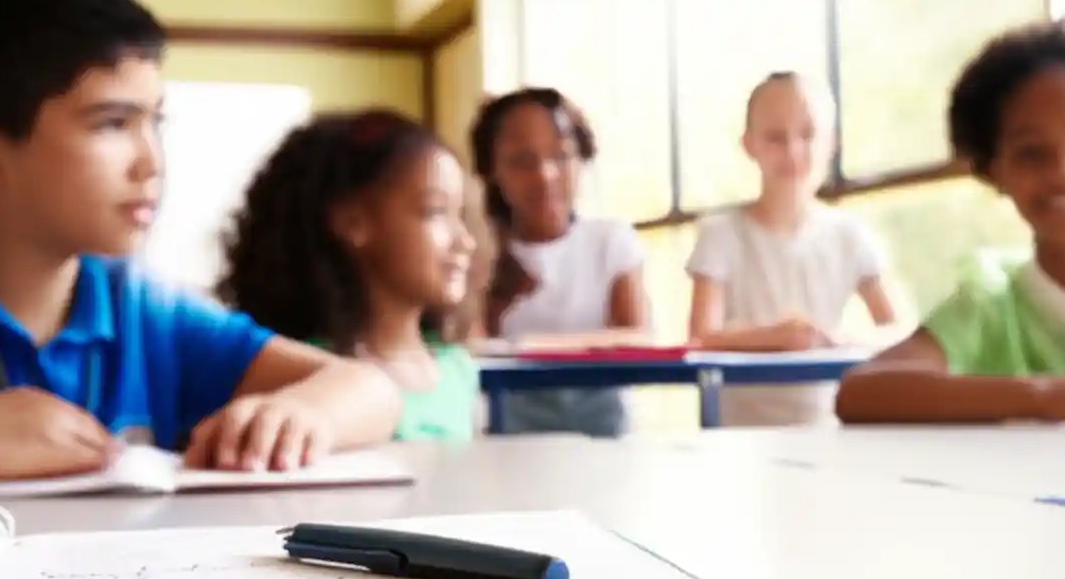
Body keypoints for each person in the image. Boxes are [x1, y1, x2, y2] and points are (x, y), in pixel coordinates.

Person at [0, 0, 401, 483]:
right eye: (112, 124)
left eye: (153, 122)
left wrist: (304, 415)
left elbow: (371, 389)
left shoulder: (142, 310)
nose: (152, 162)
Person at [835, 19, 1065, 423]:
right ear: (993, 172)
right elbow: (862, 391)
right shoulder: (991, 303)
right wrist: (1044, 395)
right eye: (1032, 153)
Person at [216, 110, 480, 442]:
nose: (465, 241)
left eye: (462, 215)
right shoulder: (302, 372)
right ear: (353, 222)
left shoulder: (457, 369)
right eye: (435, 212)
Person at [686, 71, 896, 425]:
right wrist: (779, 337)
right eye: (775, 138)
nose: (794, 151)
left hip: (829, 426)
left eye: (808, 134)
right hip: (737, 439)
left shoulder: (851, 234)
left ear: (832, 142)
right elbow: (700, 337)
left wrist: (830, 339)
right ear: (749, 144)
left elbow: (898, 331)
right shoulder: (719, 232)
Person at [469, 87, 652, 437]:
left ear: (582, 159)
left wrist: (526, 346)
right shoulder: (479, 252)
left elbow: (638, 340)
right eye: (522, 161)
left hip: (605, 431)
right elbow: (471, 349)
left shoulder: (610, 240)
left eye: (561, 156)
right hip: (507, 433)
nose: (545, 175)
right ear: (490, 170)